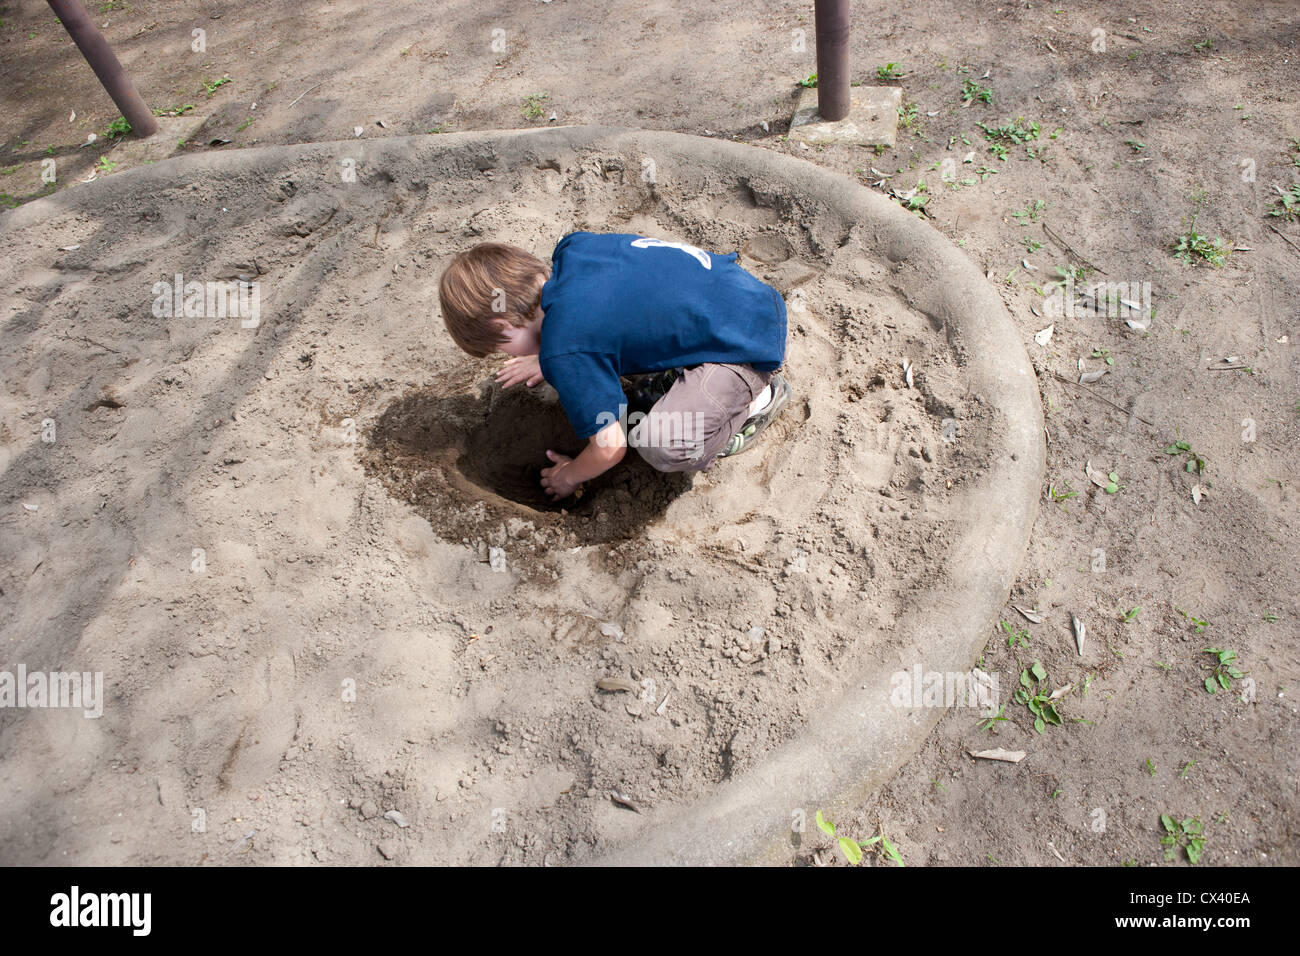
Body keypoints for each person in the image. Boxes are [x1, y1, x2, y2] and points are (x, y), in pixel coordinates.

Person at [437, 231, 791, 501]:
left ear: (502, 328)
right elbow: (602, 312)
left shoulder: (567, 351)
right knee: (622, 340)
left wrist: (570, 476)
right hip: (742, 299)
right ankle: (678, 380)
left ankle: (754, 404)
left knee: (661, 444)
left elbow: (610, 448)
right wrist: (547, 354)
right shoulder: (575, 250)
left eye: (501, 348)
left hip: (747, 346)